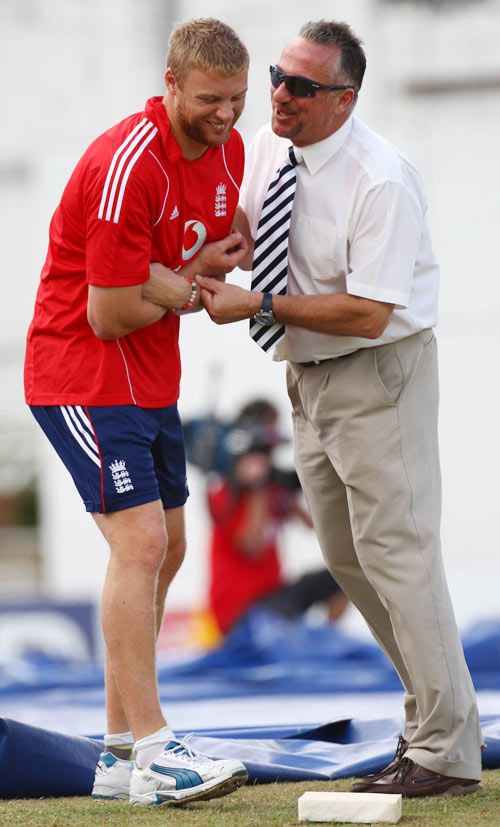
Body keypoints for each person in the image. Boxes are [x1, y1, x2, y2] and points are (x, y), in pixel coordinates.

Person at [196, 19, 483, 797]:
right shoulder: (269, 144)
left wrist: (258, 301)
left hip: (377, 372)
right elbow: (253, 230)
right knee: (348, 557)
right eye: (278, 77)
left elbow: (368, 311)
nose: (279, 95)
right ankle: (436, 724)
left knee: (398, 553)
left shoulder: (380, 178)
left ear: (344, 99)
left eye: (301, 86)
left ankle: (444, 750)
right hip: (307, 375)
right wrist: (217, 253)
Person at [24, 18, 250, 807]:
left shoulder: (230, 150)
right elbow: (110, 312)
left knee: (171, 545)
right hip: (80, 372)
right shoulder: (130, 164)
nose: (226, 114)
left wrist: (182, 273)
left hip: (151, 378)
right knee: (142, 541)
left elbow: (190, 259)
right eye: (211, 99)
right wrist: (183, 286)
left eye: (237, 98)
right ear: (171, 84)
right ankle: (156, 750)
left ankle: (119, 755)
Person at [202, 399, 348, 634]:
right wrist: (258, 487)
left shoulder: (274, 490)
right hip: (241, 613)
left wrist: (300, 487)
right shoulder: (225, 494)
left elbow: (316, 526)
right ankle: (315, 643)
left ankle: (326, 640)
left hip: (275, 598)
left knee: (346, 575)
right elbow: (252, 545)